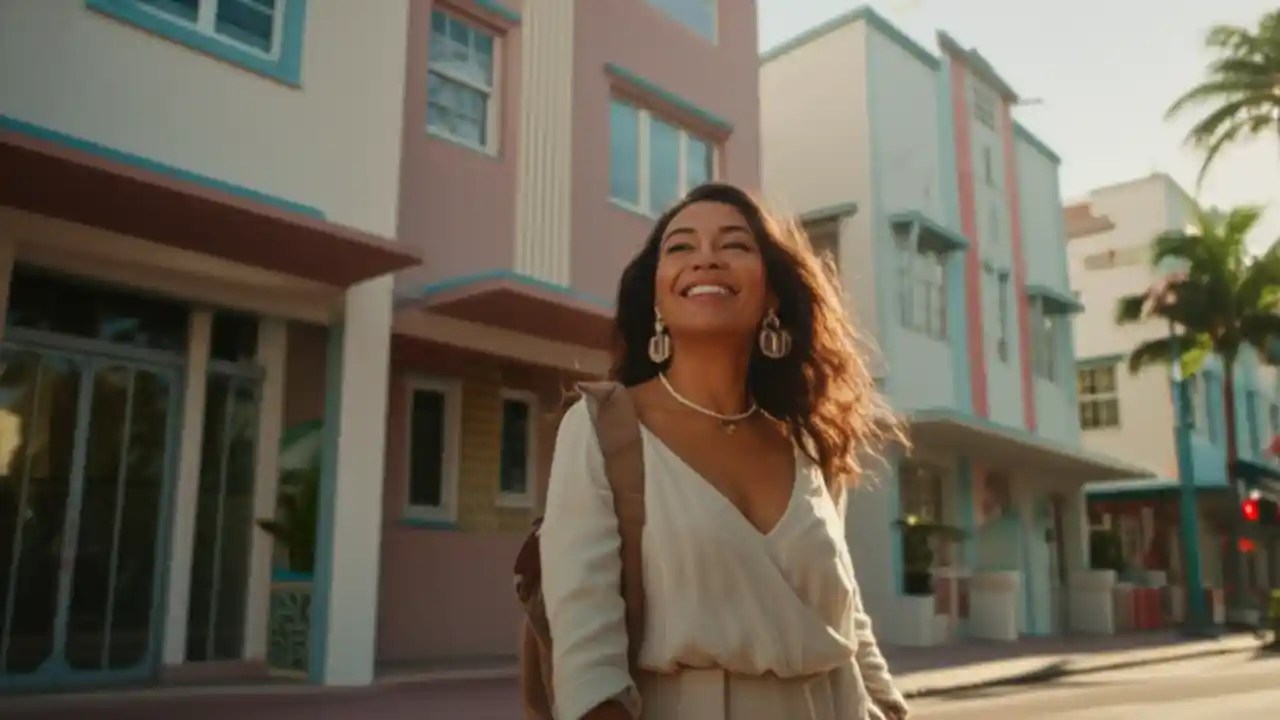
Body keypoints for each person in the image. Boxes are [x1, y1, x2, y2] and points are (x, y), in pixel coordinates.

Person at [539, 182, 909, 720]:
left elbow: (846, 622)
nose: (706, 258)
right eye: (681, 247)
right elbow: (586, 664)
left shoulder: (807, 444)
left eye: (734, 244)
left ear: (772, 295)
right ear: (658, 295)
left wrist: (892, 710)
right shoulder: (602, 428)